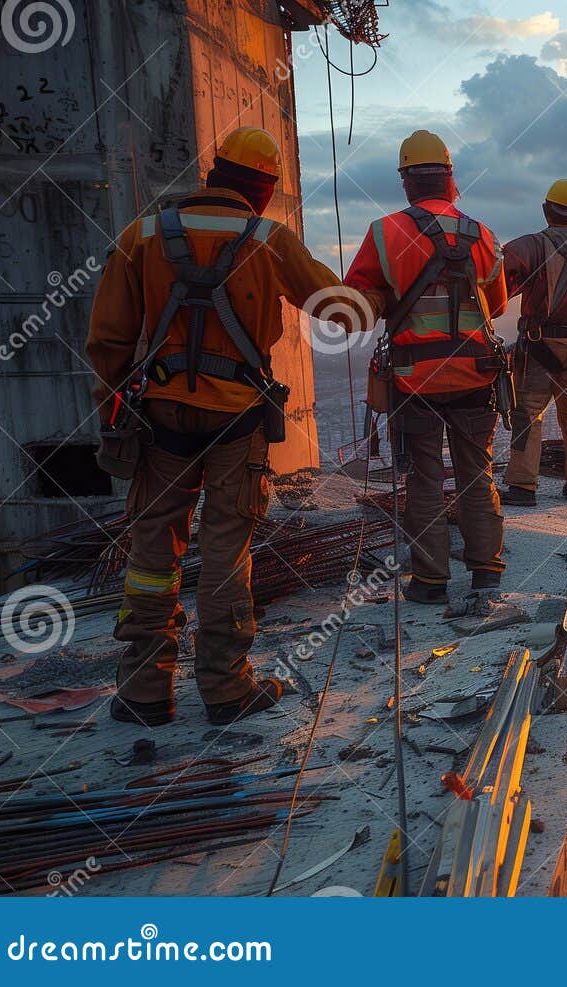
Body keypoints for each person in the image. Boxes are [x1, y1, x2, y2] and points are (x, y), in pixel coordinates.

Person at [87, 126, 362, 726]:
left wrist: (116, 402)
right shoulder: (270, 239)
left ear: (214, 174)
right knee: (225, 551)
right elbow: (338, 308)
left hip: (160, 420)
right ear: (264, 191)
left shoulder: (145, 235)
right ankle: (225, 688)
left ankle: (143, 691)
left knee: (152, 550)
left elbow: (106, 338)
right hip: (237, 422)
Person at [344, 130, 509, 606]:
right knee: (477, 473)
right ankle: (486, 578)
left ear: (406, 182)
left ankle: (430, 582)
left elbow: (358, 301)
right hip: (476, 374)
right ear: (451, 178)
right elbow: (494, 307)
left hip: (415, 378)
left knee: (423, 477)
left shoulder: (384, 232)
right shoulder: (483, 235)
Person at [499, 178, 567, 508]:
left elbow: (500, 284)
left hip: (540, 343)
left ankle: (522, 485)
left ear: (546, 210)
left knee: (528, 412)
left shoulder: (529, 246)